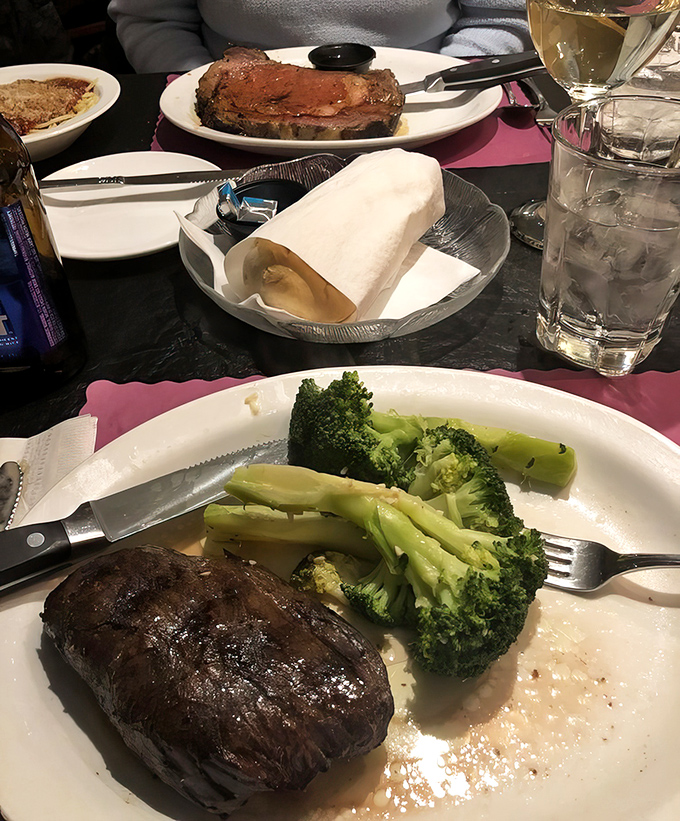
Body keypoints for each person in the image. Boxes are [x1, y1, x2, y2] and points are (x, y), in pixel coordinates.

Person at [107, 0, 532, 74]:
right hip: (230, 122)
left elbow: (501, 17)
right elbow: (151, 21)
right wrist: (211, 89)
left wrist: (443, 90)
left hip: (429, 106)